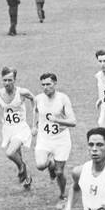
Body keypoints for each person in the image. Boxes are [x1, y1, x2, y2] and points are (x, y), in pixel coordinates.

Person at [0, 67, 36, 190]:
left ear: (15, 80)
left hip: (21, 128)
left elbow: (34, 99)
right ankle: (27, 179)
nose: (7, 83)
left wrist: (35, 120)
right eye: (4, 80)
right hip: (7, 129)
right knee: (17, 155)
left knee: (10, 153)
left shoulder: (22, 92)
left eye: (10, 80)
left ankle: (23, 168)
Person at [33, 72, 76, 200]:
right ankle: (50, 164)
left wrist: (57, 120)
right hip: (44, 138)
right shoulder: (38, 98)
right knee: (40, 165)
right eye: (43, 85)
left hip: (61, 140)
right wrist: (34, 126)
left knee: (59, 172)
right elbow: (35, 111)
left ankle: (62, 194)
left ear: (55, 84)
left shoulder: (63, 99)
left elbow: (73, 122)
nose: (45, 87)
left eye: (48, 84)